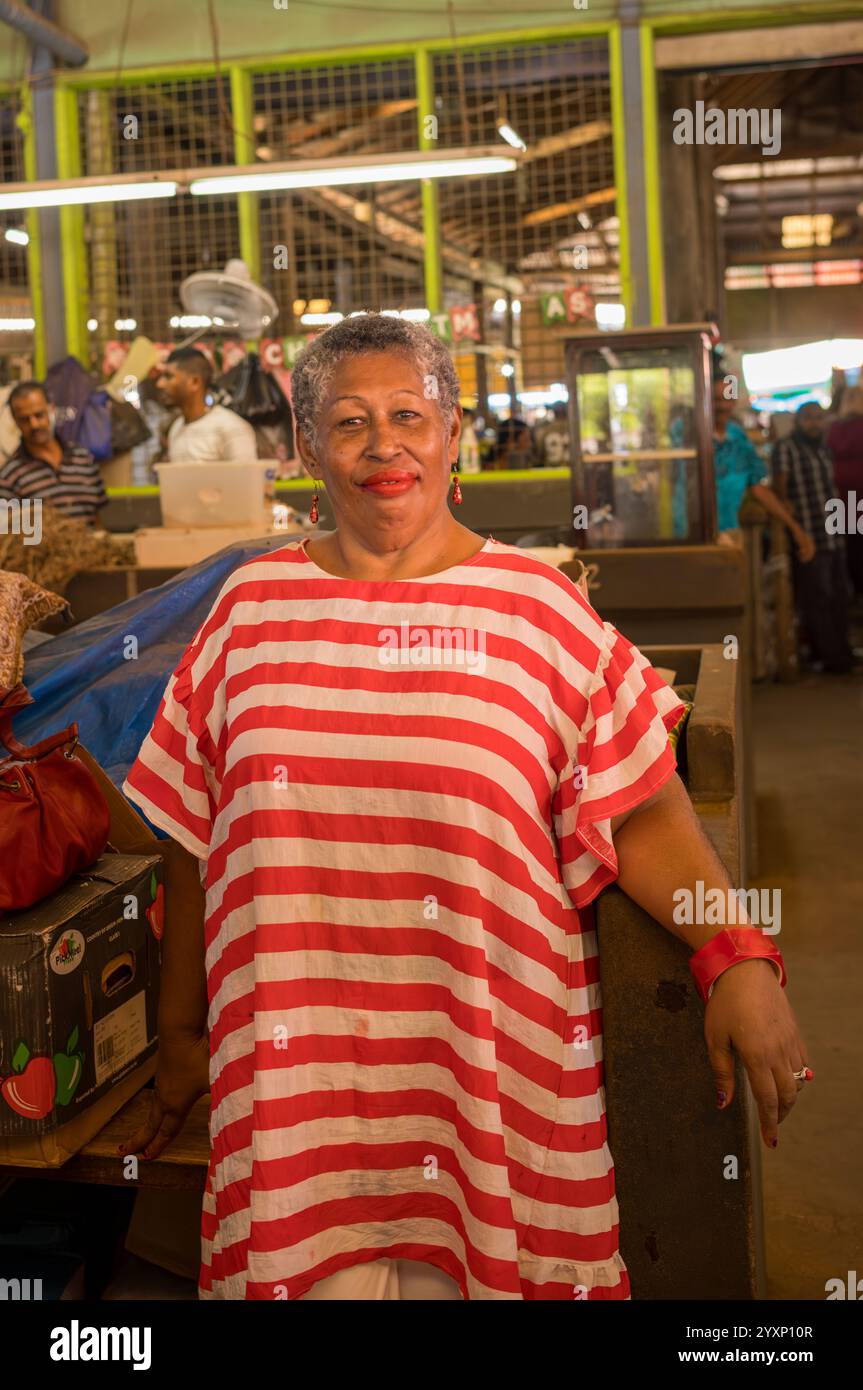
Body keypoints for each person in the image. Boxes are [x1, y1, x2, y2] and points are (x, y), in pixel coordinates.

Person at [121, 314, 809, 1302]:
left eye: (409, 414)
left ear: (453, 435)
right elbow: (186, 840)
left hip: (493, 1100)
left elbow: (642, 811)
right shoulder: (246, 610)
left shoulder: (536, 607)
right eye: (348, 422)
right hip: (296, 1122)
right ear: (307, 449)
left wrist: (732, 951)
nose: (382, 443)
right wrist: (181, 1039)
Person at [771, 402, 854, 674]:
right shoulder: (786, 448)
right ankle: (831, 659)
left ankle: (842, 652)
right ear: (797, 421)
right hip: (807, 535)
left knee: (840, 596)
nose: (815, 424)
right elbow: (780, 490)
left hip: (833, 534)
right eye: (809, 418)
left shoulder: (824, 448)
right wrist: (793, 524)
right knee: (817, 599)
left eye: (819, 419)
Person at [712, 378, 815, 562]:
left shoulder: (737, 437)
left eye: (726, 399)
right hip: (693, 534)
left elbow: (757, 487)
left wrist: (794, 528)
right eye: (715, 399)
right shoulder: (687, 433)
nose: (721, 406)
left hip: (729, 533)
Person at [0, 380, 107, 525]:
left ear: (51, 409)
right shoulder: (9, 477)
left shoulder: (84, 459)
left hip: (88, 546)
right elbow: (8, 535)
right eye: (25, 419)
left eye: (39, 415)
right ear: (15, 421)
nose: (34, 425)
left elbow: (97, 520)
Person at [157, 348, 258, 464]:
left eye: (168, 376)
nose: (160, 384)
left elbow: (247, 480)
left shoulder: (231, 428)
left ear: (195, 382)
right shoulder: (176, 429)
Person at [826, 385, 863, 599]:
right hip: (859, 493)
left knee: (845, 542)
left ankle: (848, 589)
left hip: (839, 493)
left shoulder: (834, 428)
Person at [534, 402, 571, 467]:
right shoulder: (573, 429)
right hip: (571, 469)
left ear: (554, 413)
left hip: (551, 471)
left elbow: (540, 453)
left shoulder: (546, 430)